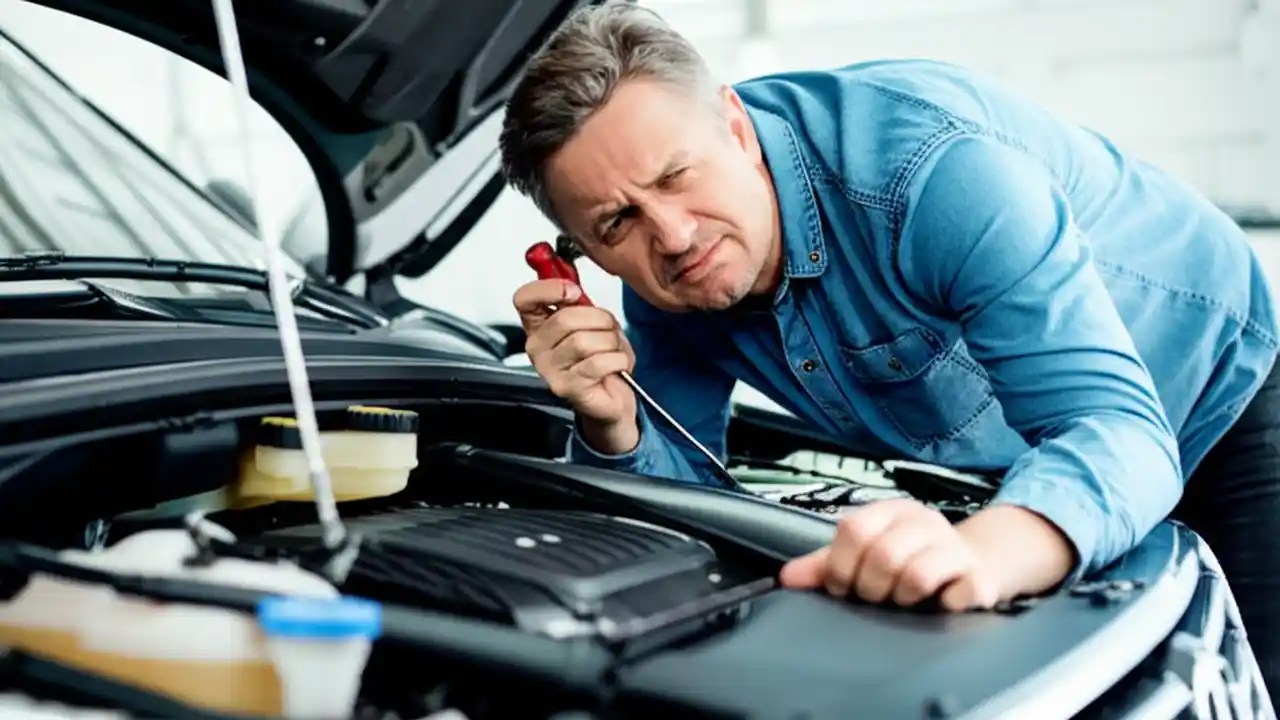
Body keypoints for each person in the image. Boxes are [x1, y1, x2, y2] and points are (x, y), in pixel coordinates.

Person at [500, 0, 1279, 695]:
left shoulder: (931, 178)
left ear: (734, 126)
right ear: (584, 251)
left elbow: (1121, 432)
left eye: (676, 176)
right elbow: (688, 508)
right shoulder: (670, 291)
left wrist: (983, 555)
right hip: (1038, 461)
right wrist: (613, 424)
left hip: (1217, 383)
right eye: (618, 223)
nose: (672, 236)